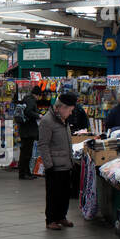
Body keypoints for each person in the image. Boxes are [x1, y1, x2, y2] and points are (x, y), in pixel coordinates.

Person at [39, 93, 75, 230]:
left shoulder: (63, 120)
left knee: (64, 193)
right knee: (53, 194)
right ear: (62, 108)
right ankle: (51, 219)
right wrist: (49, 165)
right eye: (70, 110)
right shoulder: (47, 121)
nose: (71, 113)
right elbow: (43, 144)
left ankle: (61, 216)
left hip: (65, 163)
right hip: (54, 165)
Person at [17, 91, 40, 179]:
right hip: (28, 131)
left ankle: (26, 172)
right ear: (36, 95)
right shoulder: (31, 100)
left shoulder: (26, 99)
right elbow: (28, 111)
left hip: (25, 130)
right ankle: (24, 173)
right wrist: (38, 115)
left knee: (25, 152)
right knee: (26, 153)